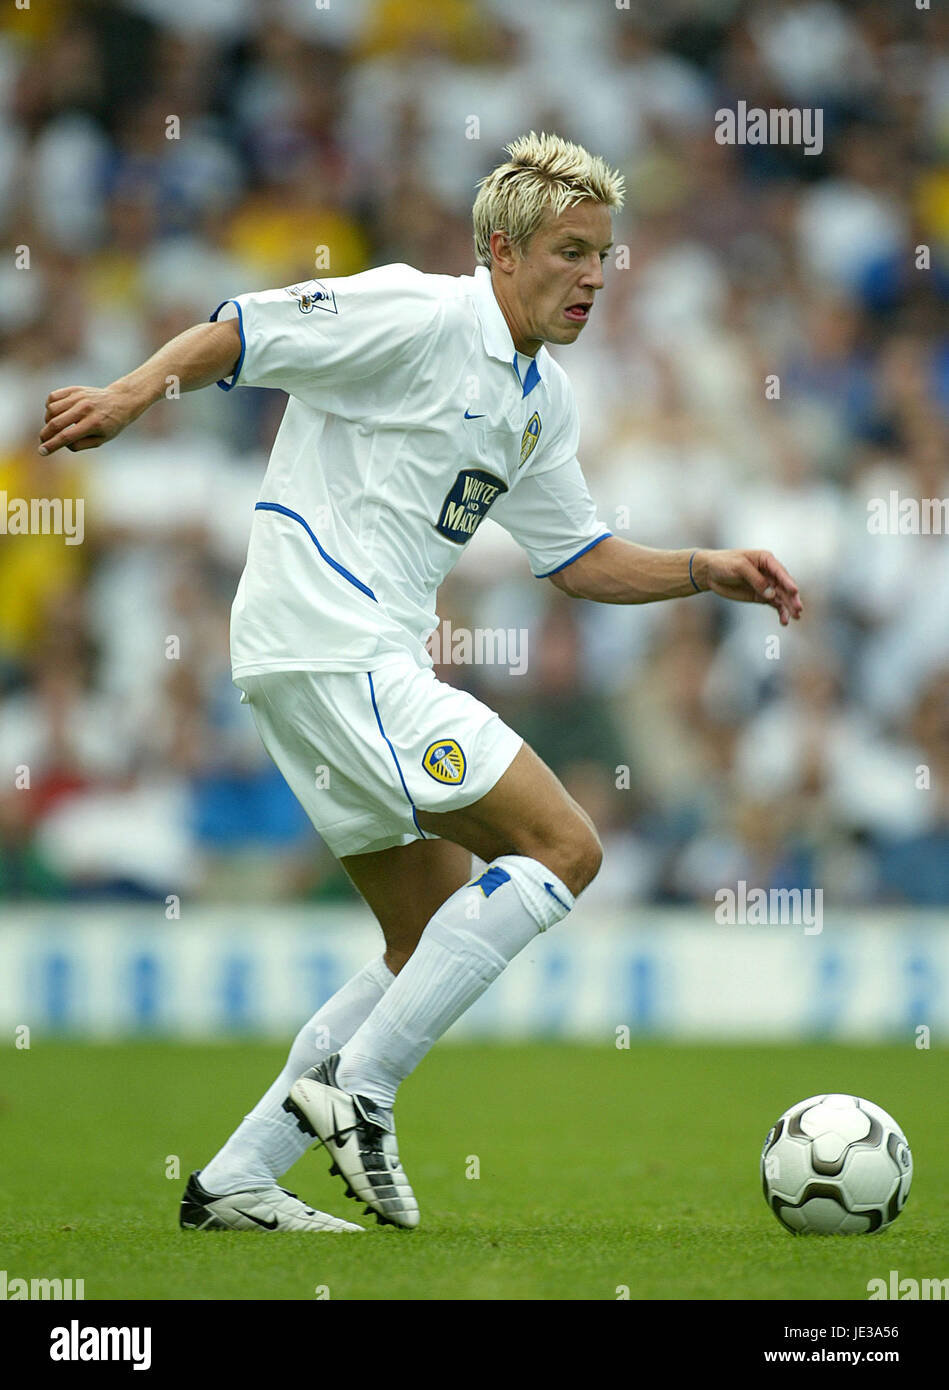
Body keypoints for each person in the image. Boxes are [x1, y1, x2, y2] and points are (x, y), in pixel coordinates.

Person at [39, 133, 803, 1233]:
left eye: (605, 255)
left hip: (323, 658)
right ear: (500, 249)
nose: (593, 275)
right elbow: (243, 329)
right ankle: (365, 1087)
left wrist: (704, 569)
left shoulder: (541, 399)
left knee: (426, 932)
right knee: (565, 847)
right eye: (569, 251)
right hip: (332, 639)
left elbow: (578, 558)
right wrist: (132, 391)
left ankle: (239, 1179)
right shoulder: (418, 311)